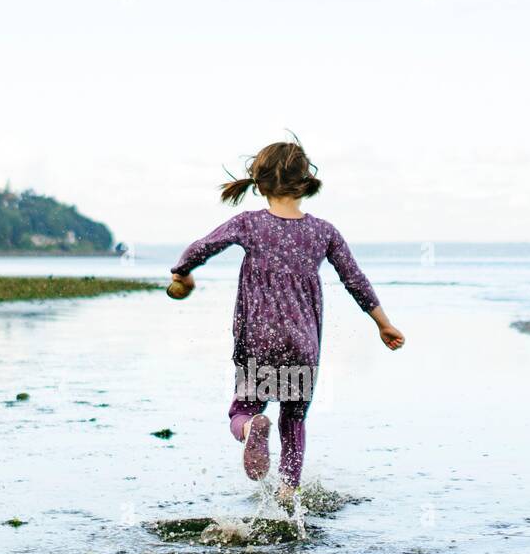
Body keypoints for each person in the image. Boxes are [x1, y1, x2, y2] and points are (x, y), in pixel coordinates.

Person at [168, 141, 405, 501]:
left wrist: (183, 273)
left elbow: (202, 246)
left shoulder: (249, 223)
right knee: (293, 419)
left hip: (259, 339)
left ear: (259, 184)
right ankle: (287, 497)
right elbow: (355, 279)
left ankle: (250, 428)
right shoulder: (324, 232)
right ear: (305, 182)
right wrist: (383, 324)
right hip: (303, 344)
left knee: (244, 407)